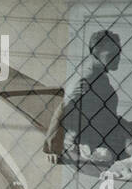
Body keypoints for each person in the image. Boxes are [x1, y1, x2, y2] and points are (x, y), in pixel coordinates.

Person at [46, 29, 126, 163]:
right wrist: (53, 146)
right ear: (96, 51)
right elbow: (64, 107)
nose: (117, 57)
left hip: (106, 131)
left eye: (118, 53)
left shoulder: (98, 73)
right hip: (90, 141)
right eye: (112, 53)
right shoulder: (88, 76)